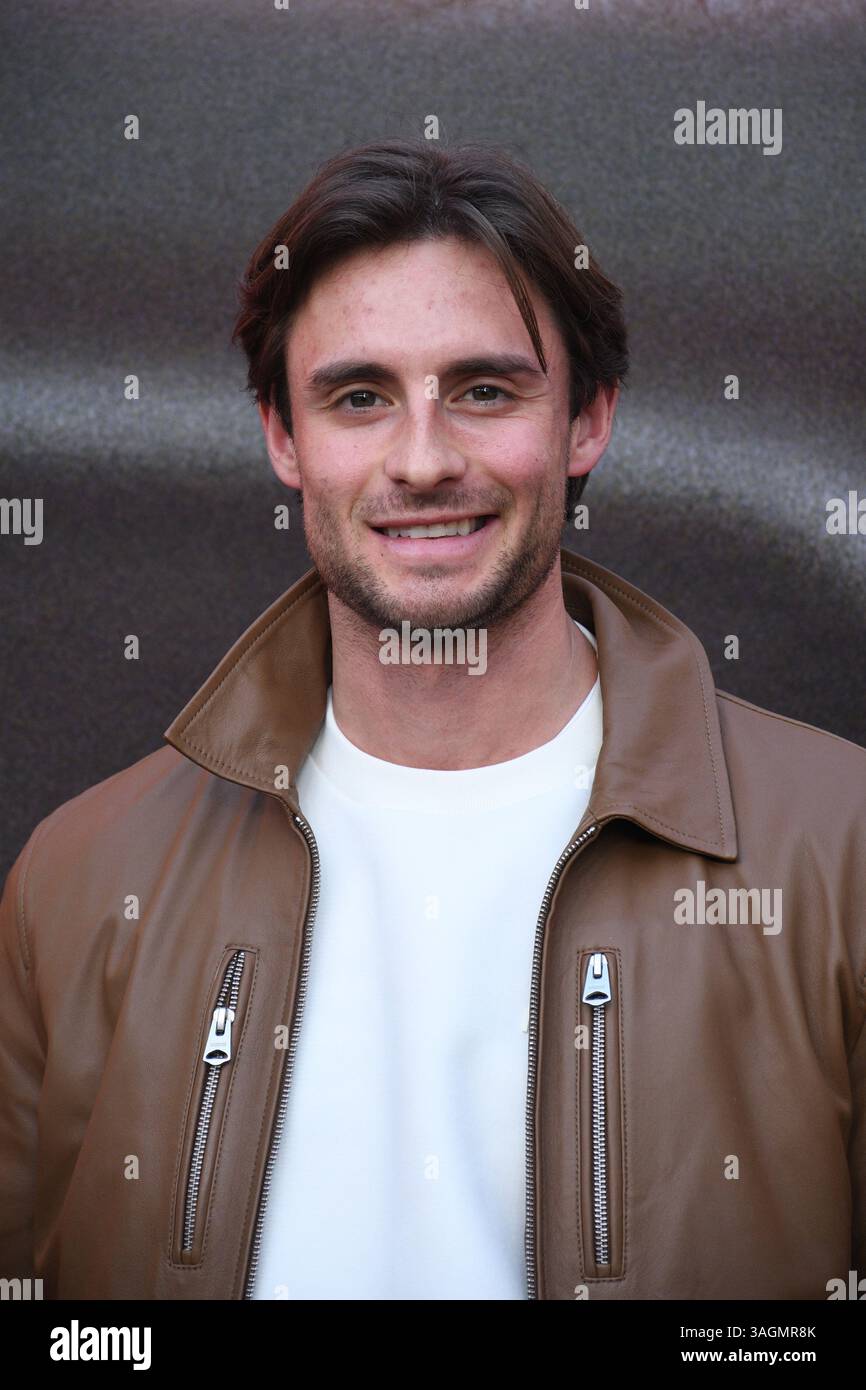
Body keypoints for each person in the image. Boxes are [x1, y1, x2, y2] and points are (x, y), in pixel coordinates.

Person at [1, 138, 864, 1301]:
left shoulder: (840, 850)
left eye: (483, 389)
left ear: (586, 421)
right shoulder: (79, 876)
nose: (420, 460)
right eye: (358, 396)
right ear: (282, 438)